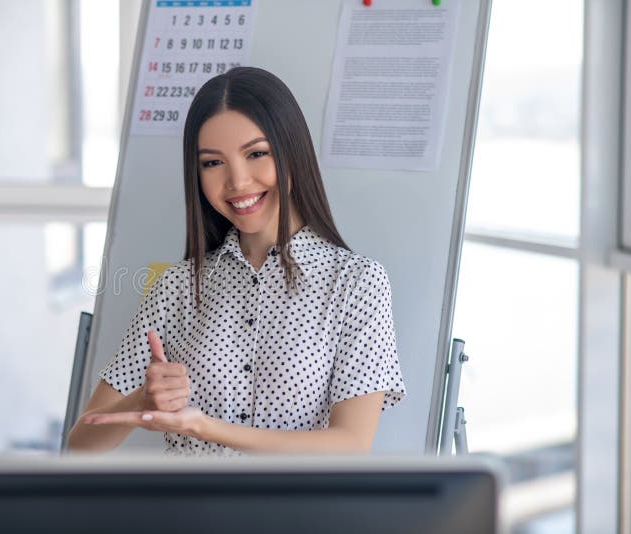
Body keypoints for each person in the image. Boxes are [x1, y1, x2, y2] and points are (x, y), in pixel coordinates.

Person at [68, 67, 405, 456]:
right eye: (213, 163)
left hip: (302, 517)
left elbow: (351, 445)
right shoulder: (177, 286)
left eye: (257, 154)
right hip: (188, 515)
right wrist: (142, 402)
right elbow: (81, 444)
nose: (237, 181)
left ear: (291, 153)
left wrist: (204, 426)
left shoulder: (356, 282)